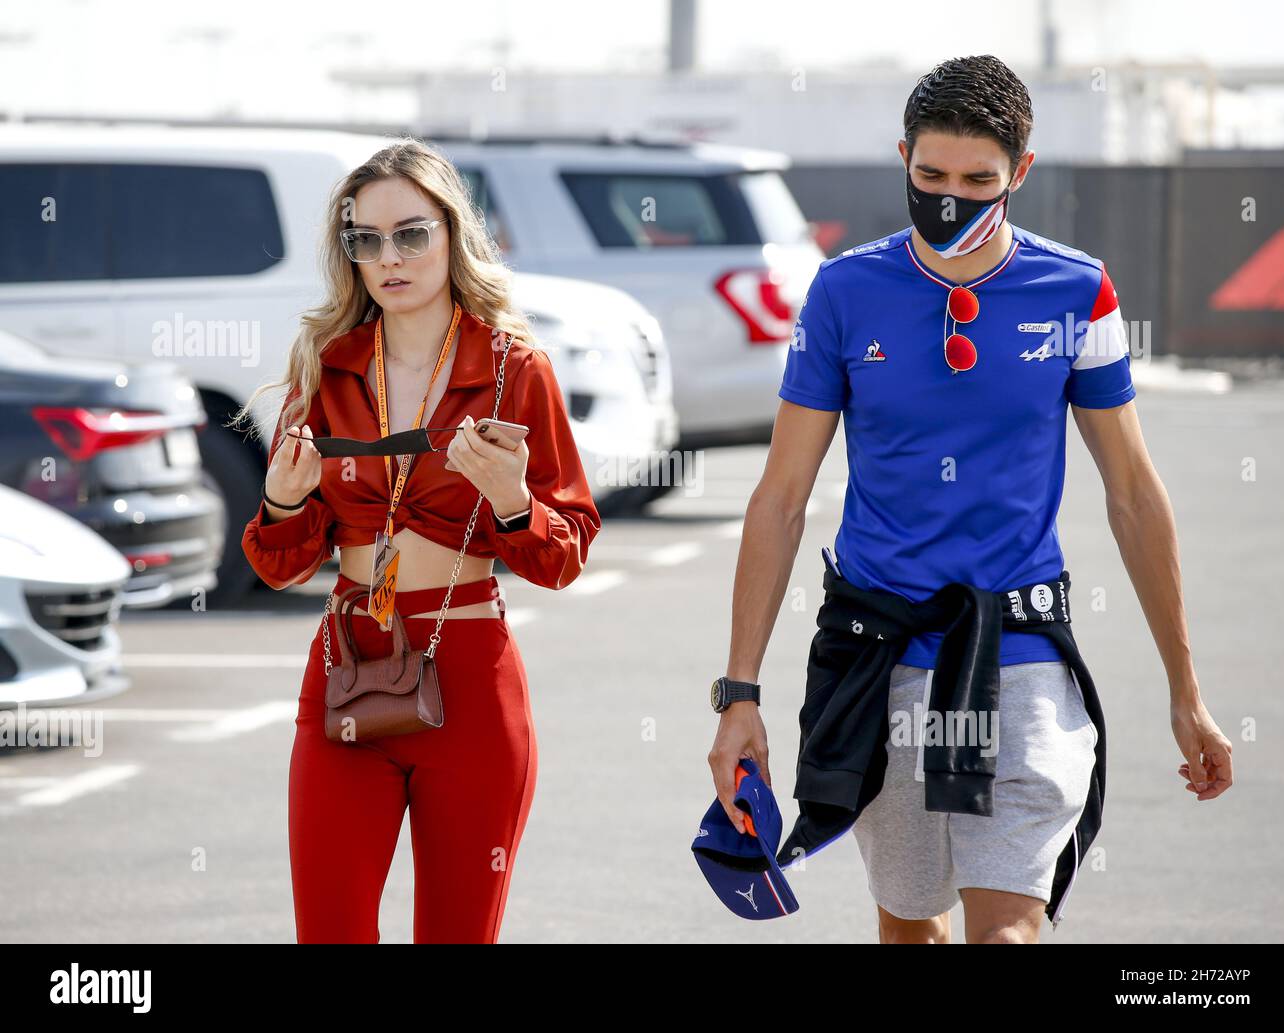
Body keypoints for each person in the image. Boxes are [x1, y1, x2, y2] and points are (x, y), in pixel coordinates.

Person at [706, 55, 1232, 944]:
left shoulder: (1077, 290)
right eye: (930, 177)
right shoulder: (845, 292)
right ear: (902, 157)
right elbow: (782, 498)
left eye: (977, 181)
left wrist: (1187, 690)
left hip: (1020, 653)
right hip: (878, 654)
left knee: (1006, 932)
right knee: (912, 927)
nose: (950, 197)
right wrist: (739, 694)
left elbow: (1134, 494)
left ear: (1020, 172)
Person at [232, 137, 600, 943]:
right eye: (366, 240)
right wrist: (282, 498)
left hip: (469, 677)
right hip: (346, 665)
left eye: (411, 234)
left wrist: (511, 501)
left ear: (452, 232)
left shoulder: (513, 370)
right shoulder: (327, 366)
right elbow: (280, 562)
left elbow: (564, 550)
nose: (388, 257)